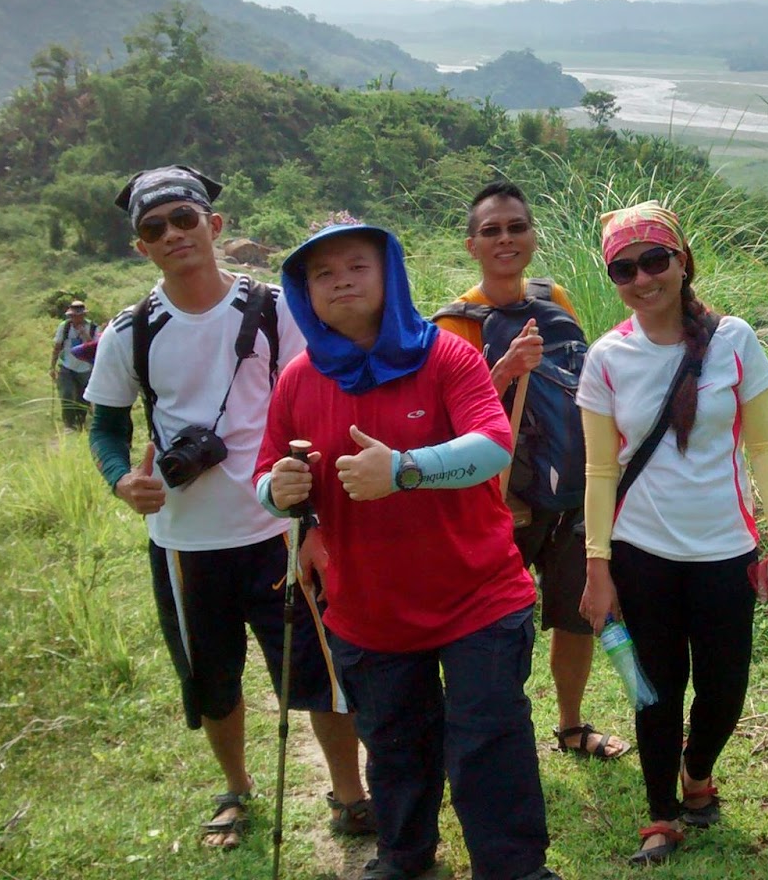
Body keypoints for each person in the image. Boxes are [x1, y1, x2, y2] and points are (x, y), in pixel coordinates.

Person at [256, 221, 561, 880]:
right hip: (370, 606)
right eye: (322, 272)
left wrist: (404, 470)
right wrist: (277, 490)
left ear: (388, 274)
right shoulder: (298, 381)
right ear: (304, 292)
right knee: (394, 745)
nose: (340, 280)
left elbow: (492, 447)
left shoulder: (443, 356)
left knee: (490, 740)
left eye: (356, 265)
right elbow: (267, 478)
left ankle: (513, 868)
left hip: (478, 595)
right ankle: (403, 858)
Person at [83, 165, 370, 851]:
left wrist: (318, 522)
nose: (174, 235)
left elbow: (316, 405)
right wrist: (123, 480)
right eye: (155, 229)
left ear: (215, 226)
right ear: (140, 248)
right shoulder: (132, 333)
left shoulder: (274, 310)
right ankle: (237, 790)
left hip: (277, 532)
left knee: (318, 675)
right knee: (212, 678)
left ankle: (351, 794)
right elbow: (104, 426)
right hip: (183, 540)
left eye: (185, 219)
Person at [576, 201, 768, 867]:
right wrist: (598, 566)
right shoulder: (607, 358)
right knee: (656, 688)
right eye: (625, 268)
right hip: (641, 550)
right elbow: (598, 470)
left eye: (656, 260)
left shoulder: (734, 341)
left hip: (725, 550)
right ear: (613, 278)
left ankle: (697, 770)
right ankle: (661, 815)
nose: (643, 278)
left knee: (726, 685)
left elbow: (764, 449)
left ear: (683, 261)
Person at [432, 180, 631, 763]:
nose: (505, 239)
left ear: (532, 236)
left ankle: (571, 726)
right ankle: (491, 736)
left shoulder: (555, 297)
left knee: (575, 616)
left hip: (568, 496)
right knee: (494, 630)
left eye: (516, 227)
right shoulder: (455, 324)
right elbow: (445, 435)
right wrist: (500, 372)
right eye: (491, 231)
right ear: (472, 245)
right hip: (501, 507)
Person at [50, 299, 98, 429]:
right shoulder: (64, 327)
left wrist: (84, 334)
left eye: (78, 315)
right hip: (67, 366)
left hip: (85, 368)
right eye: (73, 316)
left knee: (83, 397)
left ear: (83, 315)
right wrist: (52, 367)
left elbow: (95, 348)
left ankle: (80, 421)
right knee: (66, 394)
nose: (75, 318)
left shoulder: (92, 328)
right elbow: (57, 346)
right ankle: (69, 424)